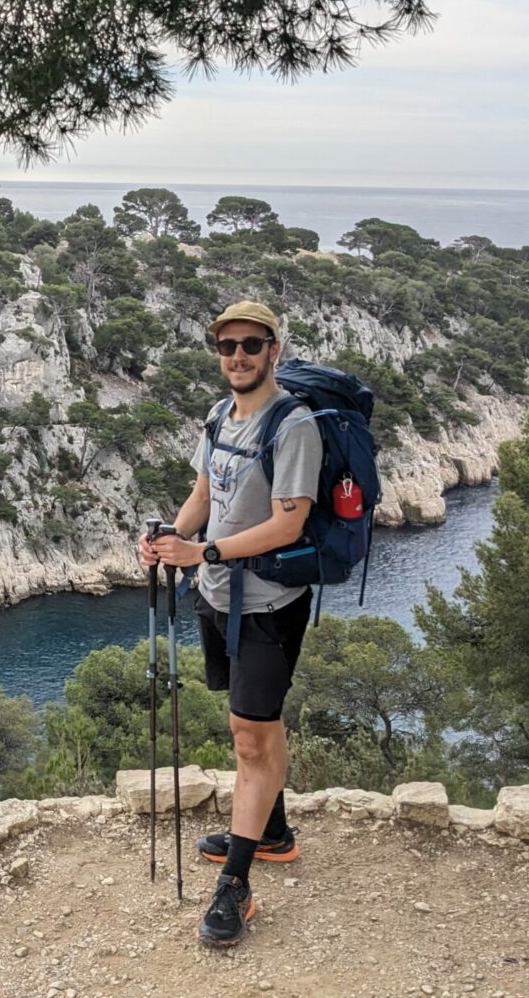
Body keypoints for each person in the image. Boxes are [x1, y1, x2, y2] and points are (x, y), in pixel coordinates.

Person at [137, 300, 322, 948]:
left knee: (249, 737)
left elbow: (288, 523)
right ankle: (272, 832)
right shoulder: (219, 415)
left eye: (251, 344)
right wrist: (171, 536)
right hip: (215, 596)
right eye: (226, 345)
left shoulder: (292, 425)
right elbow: (204, 495)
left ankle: (235, 886)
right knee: (254, 725)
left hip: (267, 604)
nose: (237, 356)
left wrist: (205, 551)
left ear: (274, 349)